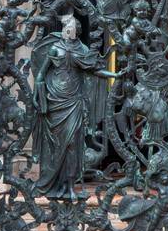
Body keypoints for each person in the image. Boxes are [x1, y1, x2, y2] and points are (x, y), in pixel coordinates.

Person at [31, 16, 120, 199]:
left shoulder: (83, 50)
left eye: (75, 27)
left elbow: (94, 69)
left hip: (74, 102)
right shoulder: (55, 48)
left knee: (72, 145)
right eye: (70, 27)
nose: (72, 30)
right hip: (55, 100)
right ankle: (55, 183)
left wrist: (115, 74)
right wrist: (38, 99)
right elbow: (40, 75)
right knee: (57, 146)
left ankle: (70, 185)